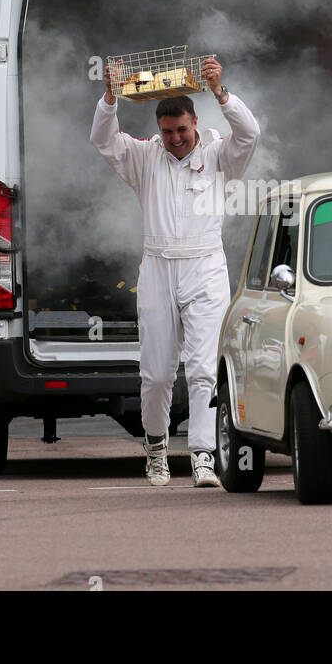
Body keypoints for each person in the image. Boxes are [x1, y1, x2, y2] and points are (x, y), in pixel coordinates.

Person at [91, 56, 260, 487]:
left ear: (195, 123)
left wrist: (221, 91)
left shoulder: (220, 155)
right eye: (168, 132)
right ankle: (156, 446)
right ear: (159, 130)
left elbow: (250, 132)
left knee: (204, 368)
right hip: (158, 268)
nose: (176, 139)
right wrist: (111, 96)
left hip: (205, 267)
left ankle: (204, 455)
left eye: (182, 130)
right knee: (158, 372)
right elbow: (103, 139)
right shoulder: (145, 157)